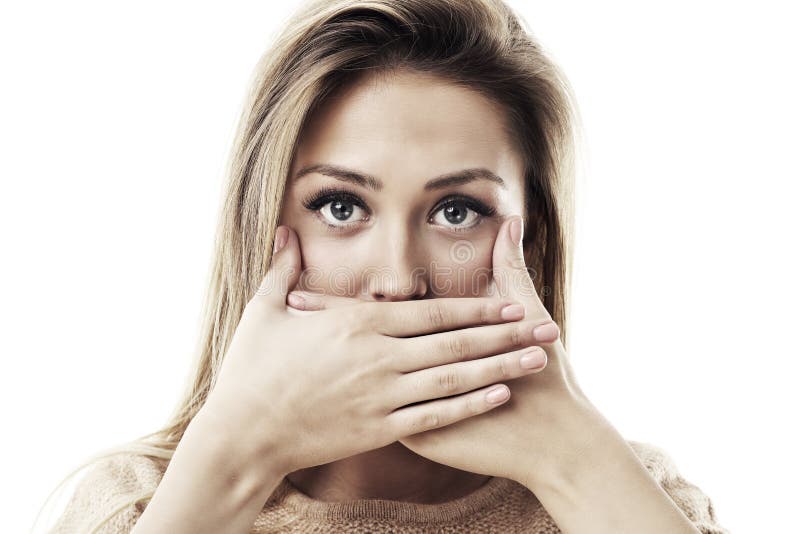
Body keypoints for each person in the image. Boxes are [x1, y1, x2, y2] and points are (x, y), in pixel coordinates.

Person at [37, 0, 728, 532]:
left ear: (533, 240)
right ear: (262, 226)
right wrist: (234, 452)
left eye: (457, 210)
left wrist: (573, 465)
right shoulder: (133, 506)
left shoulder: (631, 499)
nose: (396, 280)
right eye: (340, 206)